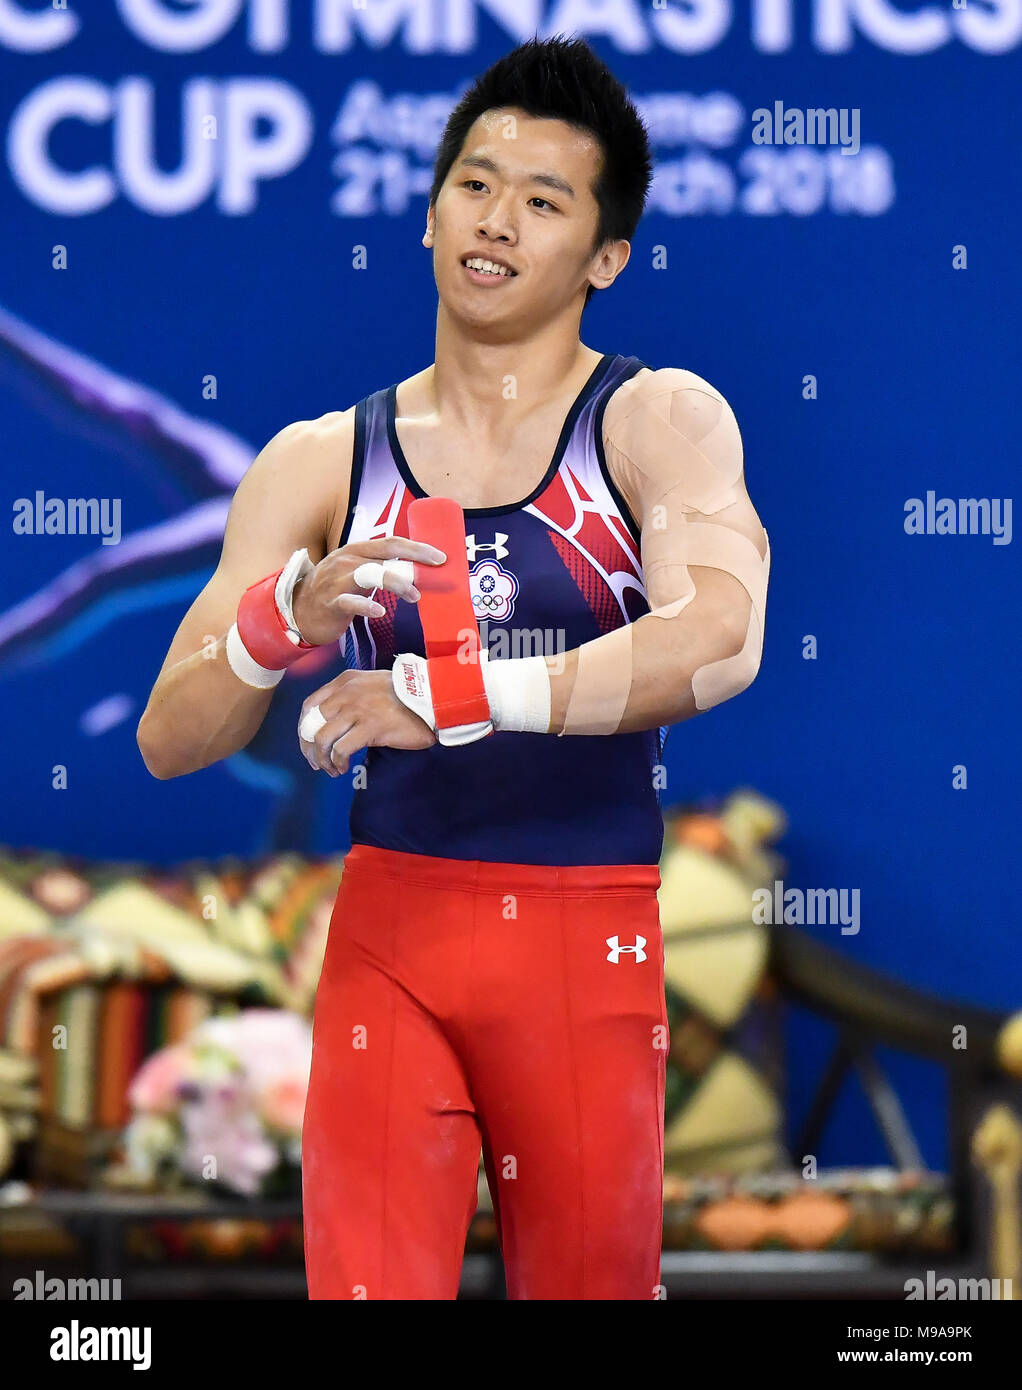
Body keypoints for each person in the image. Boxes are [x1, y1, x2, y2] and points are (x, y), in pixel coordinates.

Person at [137, 35, 770, 1300]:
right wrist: (279, 614)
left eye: (544, 201)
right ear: (427, 215)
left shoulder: (656, 420)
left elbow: (720, 639)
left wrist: (450, 697)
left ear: (604, 258)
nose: (497, 221)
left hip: (582, 944)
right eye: (474, 185)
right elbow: (172, 735)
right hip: (390, 939)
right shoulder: (318, 459)